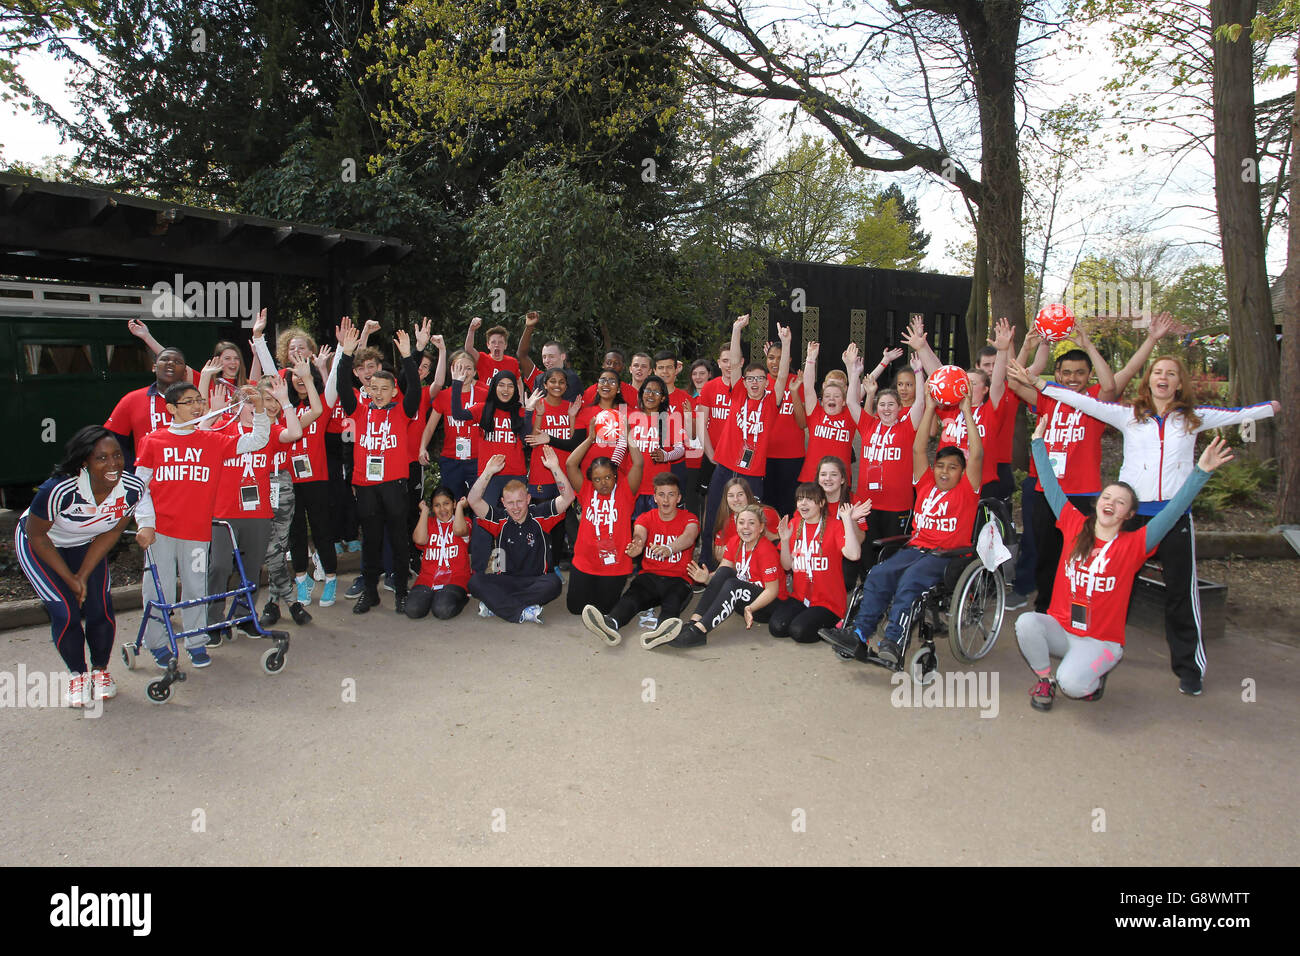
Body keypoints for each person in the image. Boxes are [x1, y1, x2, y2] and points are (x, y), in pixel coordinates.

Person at [1038, 353, 1279, 695]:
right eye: (1157, 372)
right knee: (1106, 589)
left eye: (1171, 373)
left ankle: (1189, 669)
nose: (1163, 377)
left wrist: (1270, 407)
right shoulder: (1128, 416)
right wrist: (1041, 384)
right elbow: (1081, 400)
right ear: (1148, 380)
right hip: (1131, 518)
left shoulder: (1193, 419)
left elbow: (1238, 414)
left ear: (1179, 383)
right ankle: (1095, 663)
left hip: (1173, 517)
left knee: (1181, 591)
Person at [1017, 420, 1234, 710]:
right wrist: (1037, 443)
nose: (1111, 503)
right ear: (1097, 503)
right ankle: (1045, 679)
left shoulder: (1135, 544)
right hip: (1062, 628)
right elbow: (1053, 487)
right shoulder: (1074, 525)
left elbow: (1172, 511)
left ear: (1129, 513)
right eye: (1107, 497)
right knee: (1026, 623)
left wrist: (1201, 472)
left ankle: (1091, 673)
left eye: (1120, 502)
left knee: (1073, 685)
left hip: (1099, 641)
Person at [819, 388, 983, 665]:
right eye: (940, 465)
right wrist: (929, 406)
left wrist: (966, 410)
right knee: (879, 573)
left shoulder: (968, 491)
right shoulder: (927, 482)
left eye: (953, 467)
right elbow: (918, 448)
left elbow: (977, 455)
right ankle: (859, 632)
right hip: (916, 548)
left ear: (963, 472)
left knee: (910, 581)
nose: (944, 471)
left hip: (946, 555)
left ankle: (893, 641)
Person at [133, 380, 271, 667]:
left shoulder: (212, 441)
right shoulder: (153, 441)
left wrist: (259, 410)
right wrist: (145, 523)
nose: (198, 406)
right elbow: (139, 488)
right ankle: (157, 643)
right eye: (189, 402)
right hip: (160, 532)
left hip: (196, 531)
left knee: (196, 588)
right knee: (161, 590)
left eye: (200, 401)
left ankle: (196, 640)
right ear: (171, 408)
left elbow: (257, 441)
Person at [15, 427, 146, 706]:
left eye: (117, 456)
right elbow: (37, 535)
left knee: (100, 606)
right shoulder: (58, 490)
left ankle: (100, 672)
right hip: (41, 543)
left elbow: (110, 532)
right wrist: (70, 580)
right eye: (102, 458)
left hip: (86, 543)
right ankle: (77, 677)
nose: (113, 464)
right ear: (84, 462)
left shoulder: (133, 488)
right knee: (65, 611)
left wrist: (83, 574)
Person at [205, 373, 302, 640]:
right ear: (235, 405)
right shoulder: (222, 428)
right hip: (224, 513)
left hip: (257, 511)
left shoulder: (268, 431)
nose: (252, 406)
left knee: (251, 568)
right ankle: (213, 620)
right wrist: (213, 413)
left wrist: (284, 401)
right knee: (220, 567)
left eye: (255, 402)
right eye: (246, 402)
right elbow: (198, 436)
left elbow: (295, 432)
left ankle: (244, 616)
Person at [336, 325, 422, 614]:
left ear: (394, 390)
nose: (380, 393)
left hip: (394, 483)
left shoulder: (402, 411)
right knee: (371, 539)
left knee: (398, 537)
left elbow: (415, 389)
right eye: (375, 388)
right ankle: (370, 592)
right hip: (366, 484)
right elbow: (340, 389)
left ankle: (400, 591)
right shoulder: (359, 411)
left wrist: (409, 356)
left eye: (386, 388)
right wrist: (346, 355)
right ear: (368, 389)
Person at [700, 316, 792, 565]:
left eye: (759, 379)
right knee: (713, 518)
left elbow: (782, 376)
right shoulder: (738, 393)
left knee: (750, 520)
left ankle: (747, 567)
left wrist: (787, 342)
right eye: (750, 378)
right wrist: (736, 330)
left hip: (752, 472)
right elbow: (735, 361)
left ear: (765, 383)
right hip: (726, 465)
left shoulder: (772, 402)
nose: (754, 382)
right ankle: (706, 564)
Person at [580, 472, 700, 647]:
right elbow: (639, 534)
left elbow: (689, 537)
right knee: (632, 597)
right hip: (650, 576)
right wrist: (637, 544)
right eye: (661, 494)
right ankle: (610, 623)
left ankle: (661, 632)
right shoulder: (646, 517)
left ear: (679, 498)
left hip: (679, 579)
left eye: (671, 494)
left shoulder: (689, 517)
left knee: (672, 603)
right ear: (655, 497)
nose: (666, 500)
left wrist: (669, 548)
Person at [647, 504, 785, 649]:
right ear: (736, 524)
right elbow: (721, 574)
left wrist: (750, 608)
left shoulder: (765, 550)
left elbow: (772, 591)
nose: (746, 527)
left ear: (761, 528)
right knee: (725, 572)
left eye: (752, 523)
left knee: (733, 584)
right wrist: (706, 579)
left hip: (768, 605)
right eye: (741, 522)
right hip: (745, 599)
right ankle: (693, 622)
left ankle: (700, 631)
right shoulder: (735, 542)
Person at [466, 451, 574, 623]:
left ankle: (496, 605)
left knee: (553, 584)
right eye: (510, 503)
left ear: (528, 499)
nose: (515, 508)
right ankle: (522, 611)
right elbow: (473, 500)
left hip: (536, 580)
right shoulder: (499, 518)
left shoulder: (541, 515)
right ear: (503, 502)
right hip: (506, 580)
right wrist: (487, 472)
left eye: (519, 502)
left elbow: (568, 498)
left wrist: (555, 467)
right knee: (475, 582)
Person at [768, 484, 869, 643]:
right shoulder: (794, 524)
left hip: (829, 602)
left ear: (822, 503)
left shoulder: (834, 525)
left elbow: (854, 554)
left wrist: (847, 521)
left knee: (799, 631)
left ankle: (838, 623)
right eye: (800, 499)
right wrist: (785, 540)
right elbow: (787, 566)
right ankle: (809, 618)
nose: (803, 503)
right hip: (801, 597)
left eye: (809, 499)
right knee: (777, 628)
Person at [563, 423, 645, 616]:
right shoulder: (586, 490)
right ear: (591, 480)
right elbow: (570, 464)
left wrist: (627, 436)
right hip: (585, 561)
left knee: (605, 609)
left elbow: (639, 464)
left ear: (615, 476)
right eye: (598, 479)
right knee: (575, 609)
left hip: (614, 565)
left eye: (608, 477)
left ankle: (633, 598)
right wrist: (590, 439)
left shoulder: (625, 491)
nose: (603, 483)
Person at [420, 345, 483, 501]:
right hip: (451, 460)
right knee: (453, 503)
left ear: (474, 372)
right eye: (459, 368)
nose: (464, 372)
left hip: (478, 460)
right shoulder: (443, 396)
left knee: (478, 504)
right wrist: (422, 447)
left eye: (468, 368)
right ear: (451, 370)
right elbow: (430, 427)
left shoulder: (485, 394)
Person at [406, 488, 472, 620]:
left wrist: (459, 506)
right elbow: (419, 540)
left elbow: (459, 530)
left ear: (453, 504)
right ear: (432, 508)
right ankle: (435, 595)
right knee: (412, 610)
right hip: (428, 578)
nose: (442, 509)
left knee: (442, 609)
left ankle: (461, 596)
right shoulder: (428, 523)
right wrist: (424, 512)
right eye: (437, 505)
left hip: (455, 578)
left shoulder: (464, 521)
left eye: (446, 503)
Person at [627, 374, 685, 518]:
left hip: (658, 491)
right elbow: (621, 447)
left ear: (663, 398)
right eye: (647, 391)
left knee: (655, 532)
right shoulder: (631, 417)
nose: (650, 395)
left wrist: (666, 456)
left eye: (656, 392)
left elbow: (681, 449)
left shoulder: (670, 420)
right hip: (633, 487)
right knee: (633, 532)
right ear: (641, 394)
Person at [711, 476, 781, 566]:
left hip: (767, 567)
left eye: (740, 494)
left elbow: (778, 542)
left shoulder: (765, 513)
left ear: (748, 495)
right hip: (739, 567)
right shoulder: (728, 520)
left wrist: (733, 546)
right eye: (731, 496)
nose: (736, 499)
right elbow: (719, 555)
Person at [464, 315, 522, 384]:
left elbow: (518, 382)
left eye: (500, 342)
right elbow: (468, 349)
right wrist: (472, 330)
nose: (497, 345)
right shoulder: (482, 358)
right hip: (485, 394)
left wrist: (520, 395)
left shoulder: (513, 362)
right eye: (493, 342)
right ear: (488, 345)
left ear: (505, 345)